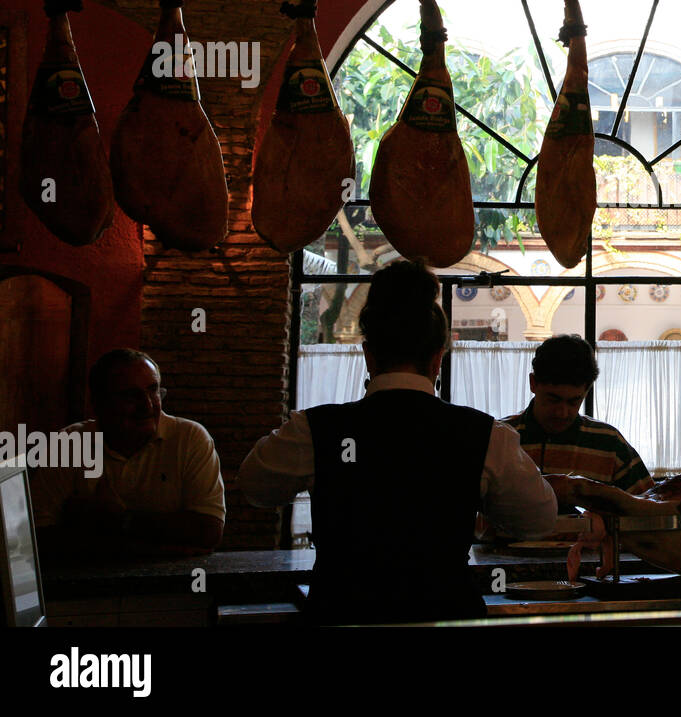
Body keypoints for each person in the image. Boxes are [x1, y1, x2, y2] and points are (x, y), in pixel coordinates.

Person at [239, 259, 556, 624]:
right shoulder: (485, 435)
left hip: (343, 616)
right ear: (438, 358)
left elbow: (254, 487)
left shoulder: (315, 429)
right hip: (446, 616)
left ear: (368, 356)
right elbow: (538, 519)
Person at [31, 348, 226, 560]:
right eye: (131, 396)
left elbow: (208, 531)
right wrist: (159, 549)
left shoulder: (190, 438)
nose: (148, 405)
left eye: (153, 390)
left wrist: (117, 520)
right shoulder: (68, 444)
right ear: (99, 403)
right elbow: (39, 539)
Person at [502, 334, 653, 495]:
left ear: (587, 391)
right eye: (553, 399)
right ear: (533, 383)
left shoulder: (610, 444)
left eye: (574, 402)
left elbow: (649, 507)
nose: (562, 413)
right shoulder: (501, 439)